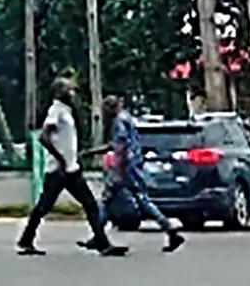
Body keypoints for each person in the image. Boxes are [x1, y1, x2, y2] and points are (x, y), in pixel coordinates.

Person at [17, 77, 124, 257]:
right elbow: (44, 137)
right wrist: (60, 158)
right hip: (60, 170)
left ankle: (102, 243)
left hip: (70, 168)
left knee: (88, 205)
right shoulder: (56, 111)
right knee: (48, 206)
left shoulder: (66, 111)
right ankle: (26, 240)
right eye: (69, 90)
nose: (73, 93)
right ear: (60, 92)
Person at [103, 94, 185, 253]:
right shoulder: (128, 119)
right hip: (134, 165)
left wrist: (118, 173)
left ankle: (169, 228)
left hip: (126, 168)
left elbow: (121, 148)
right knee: (116, 199)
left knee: (125, 198)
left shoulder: (119, 122)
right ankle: (98, 233)